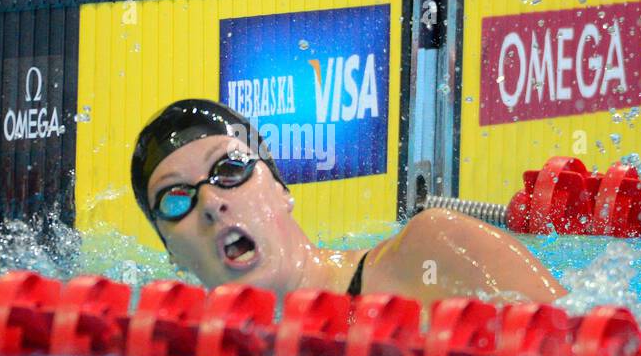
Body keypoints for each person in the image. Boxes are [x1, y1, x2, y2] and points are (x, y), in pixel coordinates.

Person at [131, 99, 567, 306]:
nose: (210, 202)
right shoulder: (200, 355)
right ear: (172, 254)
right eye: (176, 199)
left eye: (229, 170)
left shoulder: (433, 248)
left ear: (282, 190)